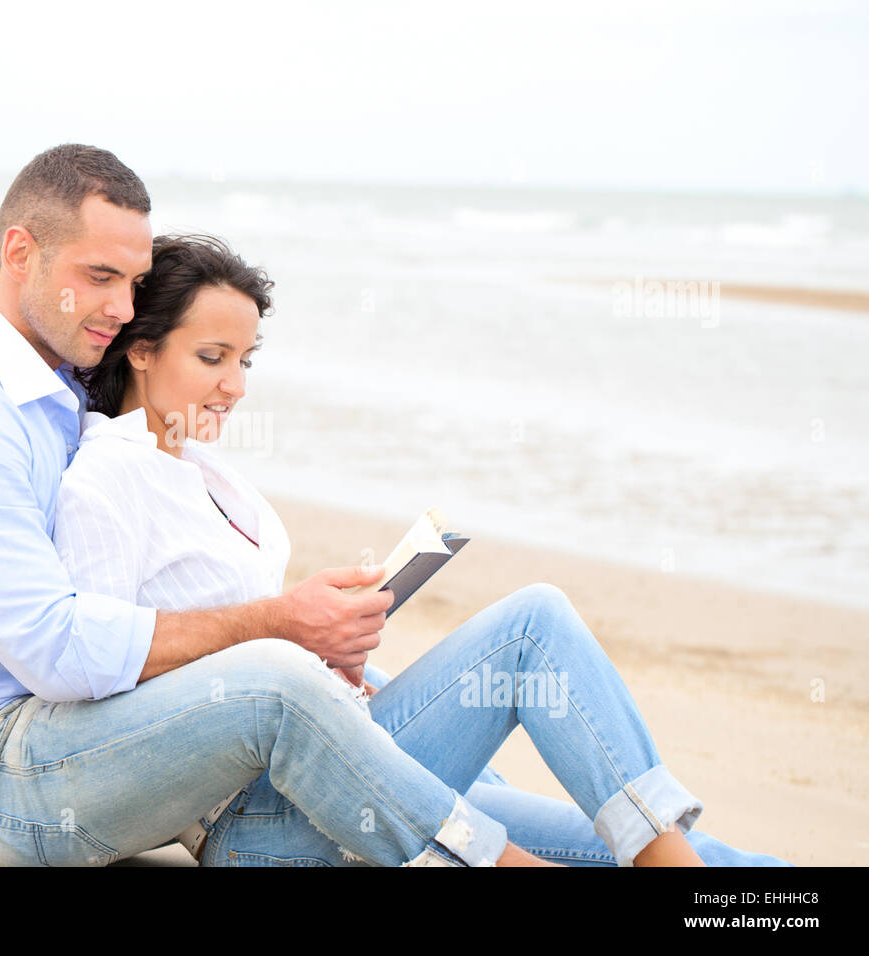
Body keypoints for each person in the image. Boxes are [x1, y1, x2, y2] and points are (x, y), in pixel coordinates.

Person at [0, 143, 787, 867]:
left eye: (134, 284)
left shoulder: (58, 394)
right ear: (21, 251)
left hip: (147, 752)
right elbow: (59, 650)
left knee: (557, 707)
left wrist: (321, 646)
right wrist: (282, 628)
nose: (124, 306)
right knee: (283, 681)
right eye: (102, 278)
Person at [53, 232, 792, 867]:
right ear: (142, 350)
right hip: (265, 822)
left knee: (634, 839)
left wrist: (322, 649)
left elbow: (236, 630)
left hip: (347, 763)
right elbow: (107, 690)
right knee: (535, 624)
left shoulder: (204, 471)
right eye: (214, 356)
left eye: (246, 359)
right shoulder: (106, 480)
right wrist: (281, 638)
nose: (235, 385)